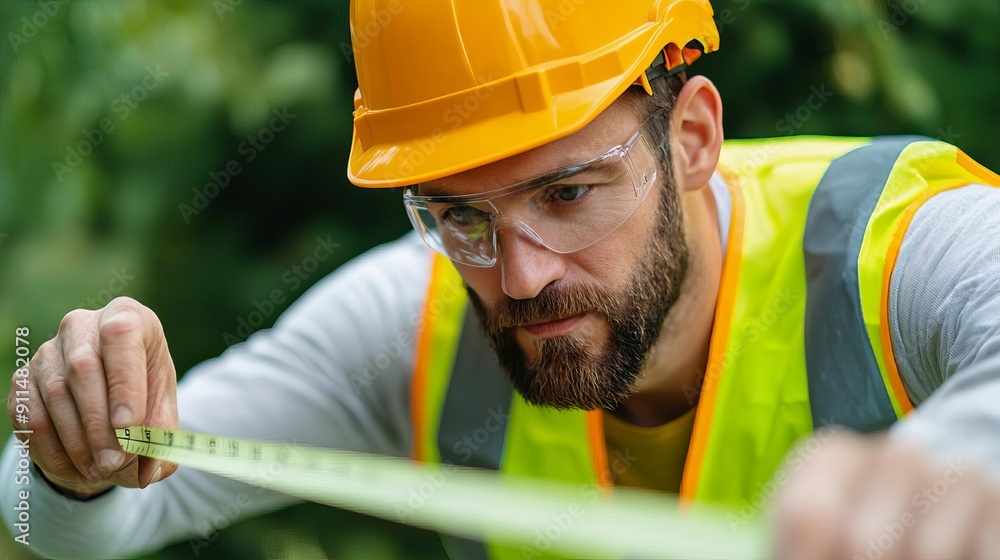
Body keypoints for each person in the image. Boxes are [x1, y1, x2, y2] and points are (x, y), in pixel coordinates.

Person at [5, 0, 1000, 558]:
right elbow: (76, 524)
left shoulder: (896, 250)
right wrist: (69, 445)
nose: (518, 276)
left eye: (567, 194)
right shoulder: (412, 318)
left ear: (692, 135)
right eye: (459, 214)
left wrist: (955, 463)